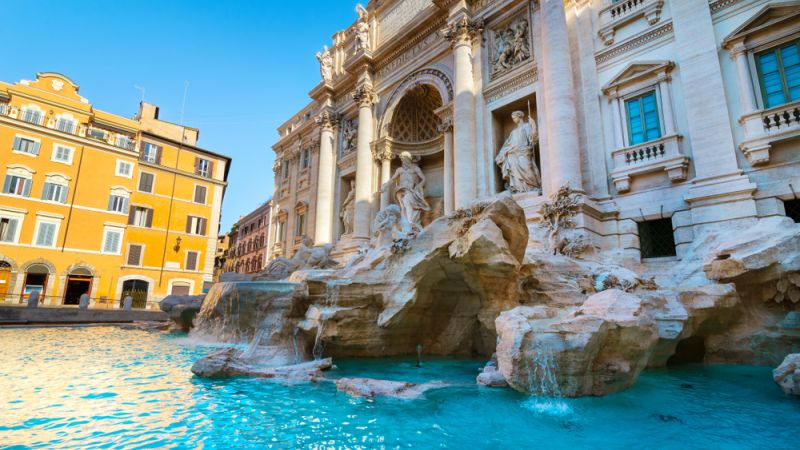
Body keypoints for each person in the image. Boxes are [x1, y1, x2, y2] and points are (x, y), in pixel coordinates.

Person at [381, 151, 430, 232]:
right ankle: (406, 226)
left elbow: (423, 179)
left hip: (410, 190)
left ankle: (410, 223)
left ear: (408, 159)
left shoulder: (415, 168)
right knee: (402, 207)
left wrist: (419, 185)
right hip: (400, 190)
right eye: (402, 160)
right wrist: (385, 185)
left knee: (407, 201)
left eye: (404, 160)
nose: (403, 162)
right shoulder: (399, 170)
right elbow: (393, 179)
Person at [496, 111, 541, 194]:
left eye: (514, 117)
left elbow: (532, 139)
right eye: (512, 118)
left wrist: (533, 124)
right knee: (514, 171)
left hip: (524, 152)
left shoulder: (526, 126)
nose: (513, 120)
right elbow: (507, 144)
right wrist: (503, 153)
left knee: (527, 169)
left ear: (519, 116)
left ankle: (533, 187)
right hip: (512, 154)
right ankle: (519, 190)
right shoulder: (513, 132)